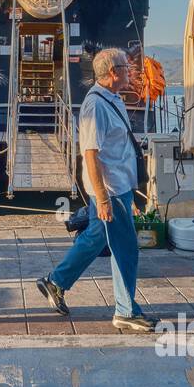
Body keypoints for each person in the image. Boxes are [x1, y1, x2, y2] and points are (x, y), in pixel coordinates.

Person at [35, 48, 156, 331]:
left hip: (120, 189)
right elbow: (90, 154)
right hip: (110, 191)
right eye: (127, 67)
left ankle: (56, 282)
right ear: (113, 72)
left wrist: (133, 192)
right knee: (126, 250)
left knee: (95, 238)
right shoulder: (95, 106)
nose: (131, 71)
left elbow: (119, 149)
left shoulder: (113, 99)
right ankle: (125, 311)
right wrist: (102, 198)